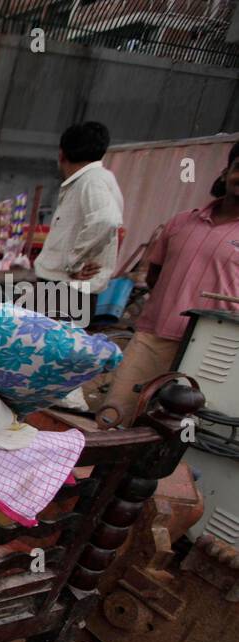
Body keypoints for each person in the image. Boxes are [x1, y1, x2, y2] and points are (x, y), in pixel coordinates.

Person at [97, 141, 239, 428]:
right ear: (226, 173)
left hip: (212, 353)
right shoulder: (182, 223)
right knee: (115, 416)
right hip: (153, 337)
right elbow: (154, 275)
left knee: (182, 430)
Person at [34, 121, 124, 315]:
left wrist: (74, 262)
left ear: (61, 154)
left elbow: (106, 220)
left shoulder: (92, 180)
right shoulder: (92, 179)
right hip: (65, 290)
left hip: (66, 292)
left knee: (48, 343)